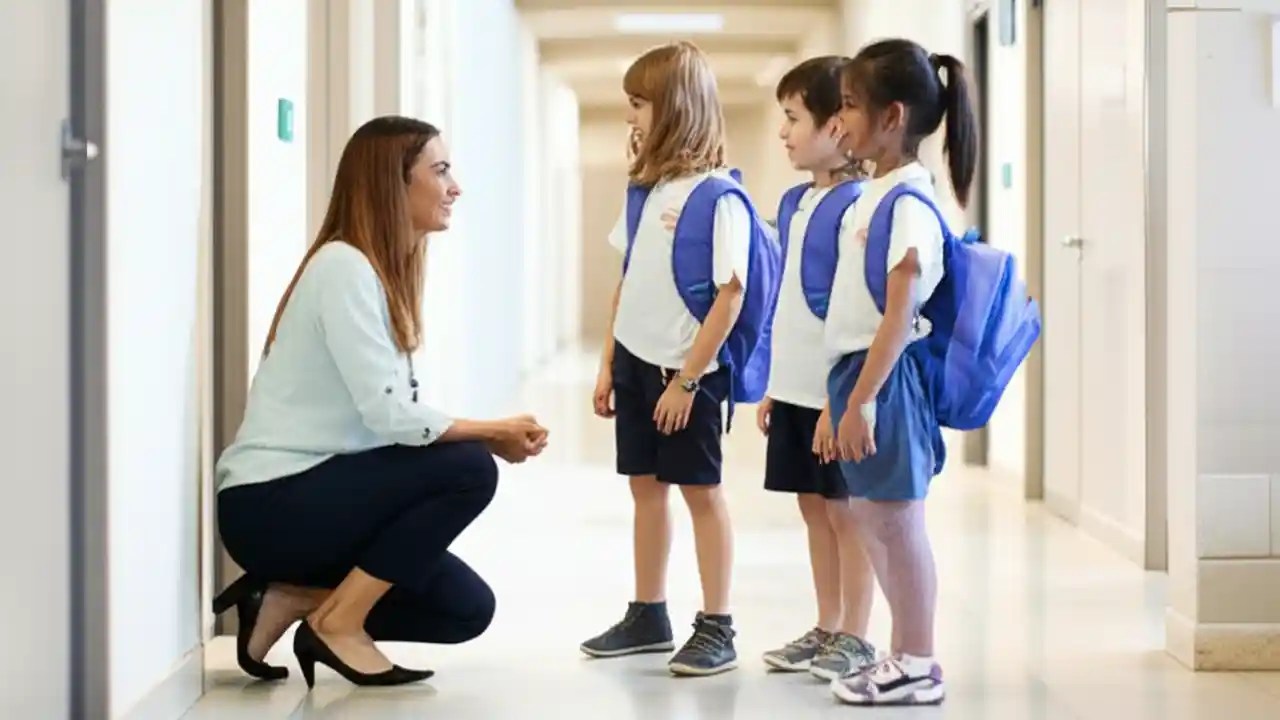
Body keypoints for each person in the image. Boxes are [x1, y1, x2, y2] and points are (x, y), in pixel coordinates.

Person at [212, 116, 550, 689]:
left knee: (465, 609)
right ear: (392, 184)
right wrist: (492, 433)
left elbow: (390, 421)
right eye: (439, 170)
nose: (455, 187)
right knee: (470, 467)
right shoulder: (343, 267)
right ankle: (339, 622)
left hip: (320, 496)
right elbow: (390, 415)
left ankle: (290, 597)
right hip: (270, 503)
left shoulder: (376, 271)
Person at [580, 41, 779, 677]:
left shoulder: (719, 196)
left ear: (673, 109)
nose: (631, 117)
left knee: (701, 491)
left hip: (685, 373)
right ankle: (649, 614)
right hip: (639, 366)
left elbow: (732, 293)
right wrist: (609, 361)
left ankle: (717, 624)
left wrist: (689, 380)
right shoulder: (645, 192)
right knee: (645, 488)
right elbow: (628, 279)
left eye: (638, 104)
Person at [822, 38, 978, 706]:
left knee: (896, 520)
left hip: (887, 379)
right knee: (869, 512)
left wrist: (860, 400)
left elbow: (898, 315)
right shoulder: (874, 191)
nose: (840, 121)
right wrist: (840, 401)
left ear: (892, 117)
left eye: (850, 106)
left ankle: (917, 658)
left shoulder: (910, 202)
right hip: (861, 377)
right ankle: (901, 652)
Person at [757, 56, 878, 682]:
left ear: (837, 127)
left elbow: (854, 313)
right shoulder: (797, 200)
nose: (784, 132)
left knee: (845, 510)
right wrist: (778, 387)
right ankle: (827, 622)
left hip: (835, 391)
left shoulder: (858, 206)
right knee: (812, 506)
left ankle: (856, 631)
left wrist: (843, 398)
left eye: (793, 117)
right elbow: (790, 302)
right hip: (797, 389)